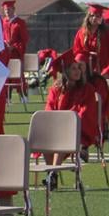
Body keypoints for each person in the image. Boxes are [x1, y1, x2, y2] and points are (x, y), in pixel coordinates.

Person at [44, 51, 100, 180]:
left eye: (78, 68)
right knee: (45, 140)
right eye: (73, 68)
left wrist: (68, 123)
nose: (78, 71)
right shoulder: (55, 89)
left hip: (78, 130)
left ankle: (52, 175)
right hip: (57, 128)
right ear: (66, 71)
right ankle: (52, 176)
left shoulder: (87, 89)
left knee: (61, 138)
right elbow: (49, 109)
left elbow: (86, 112)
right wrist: (56, 123)